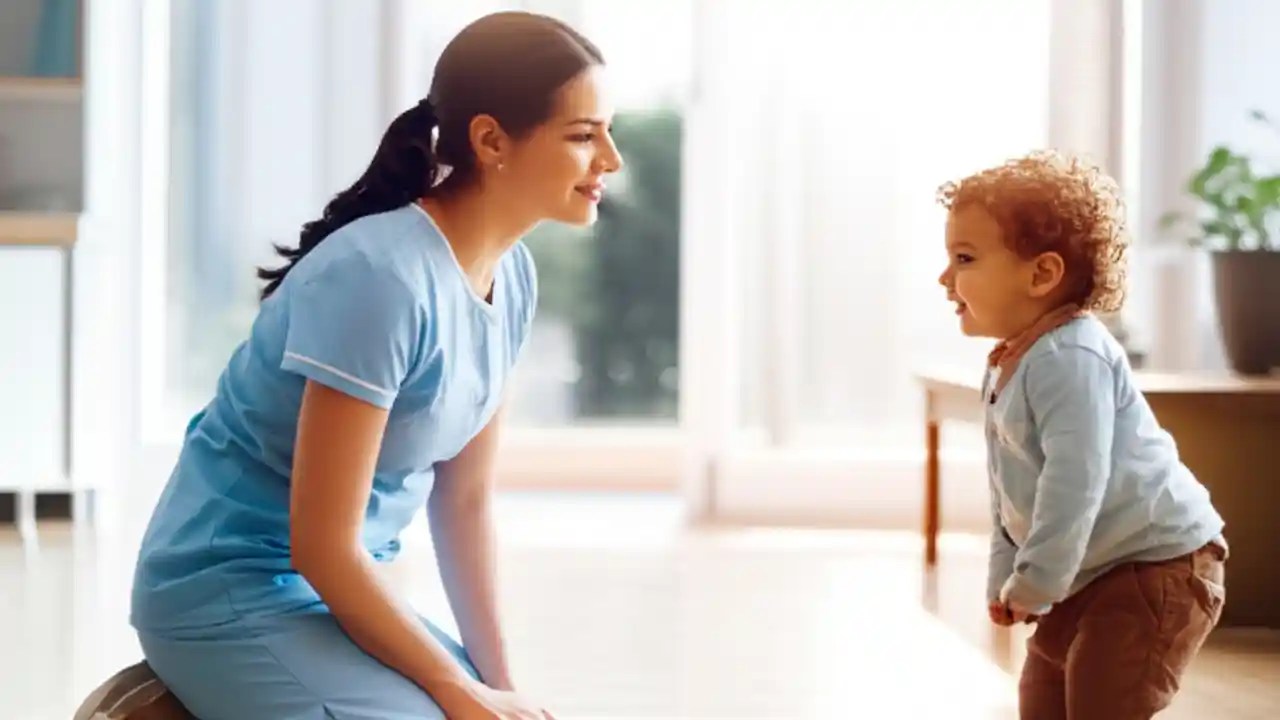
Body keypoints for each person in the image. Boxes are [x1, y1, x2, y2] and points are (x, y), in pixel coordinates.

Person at [129, 11, 622, 719]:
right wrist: (454, 687)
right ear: (490, 140)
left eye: (609, 131)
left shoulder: (512, 277)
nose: (611, 159)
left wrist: (499, 686)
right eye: (583, 135)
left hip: (338, 588)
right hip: (229, 586)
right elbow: (322, 546)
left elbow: (466, 500)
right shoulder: (379, 278)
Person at [935, 150, 1228, 719]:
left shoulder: (1071, 357)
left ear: (1042, 274)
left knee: (1102, 702)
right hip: (1090, 570)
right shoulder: (1009, 361)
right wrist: (1010, 577)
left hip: (1155, 567)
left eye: (964, 258)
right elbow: (1011, 494)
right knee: (1041, 703)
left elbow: (1075, 483)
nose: (945, 278)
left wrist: (1038, 578)